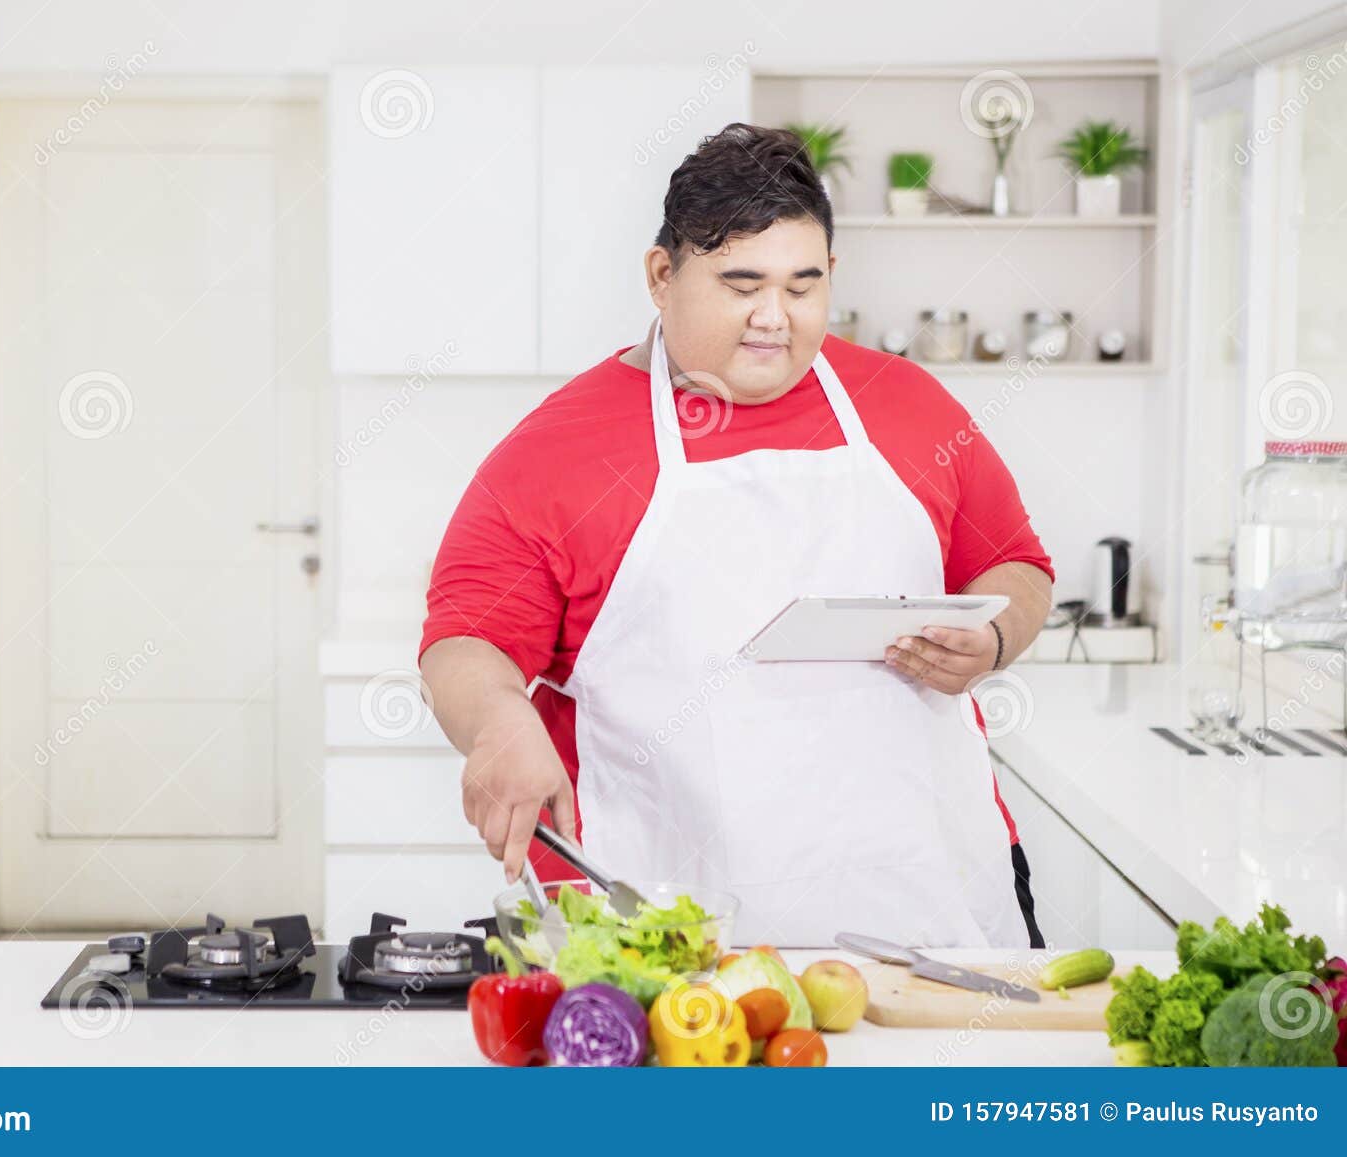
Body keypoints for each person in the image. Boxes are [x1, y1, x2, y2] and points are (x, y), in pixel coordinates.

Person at [419, 123, 1053, 947]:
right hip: (666, 931)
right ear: (661, 274)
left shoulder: (911, 405)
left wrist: (996, 636)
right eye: (740, 282)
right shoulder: (556, 452)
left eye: (802, 286)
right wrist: (500, 721)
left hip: (931, 907)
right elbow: (464, 642)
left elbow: (1018, 566)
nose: (773, 319)